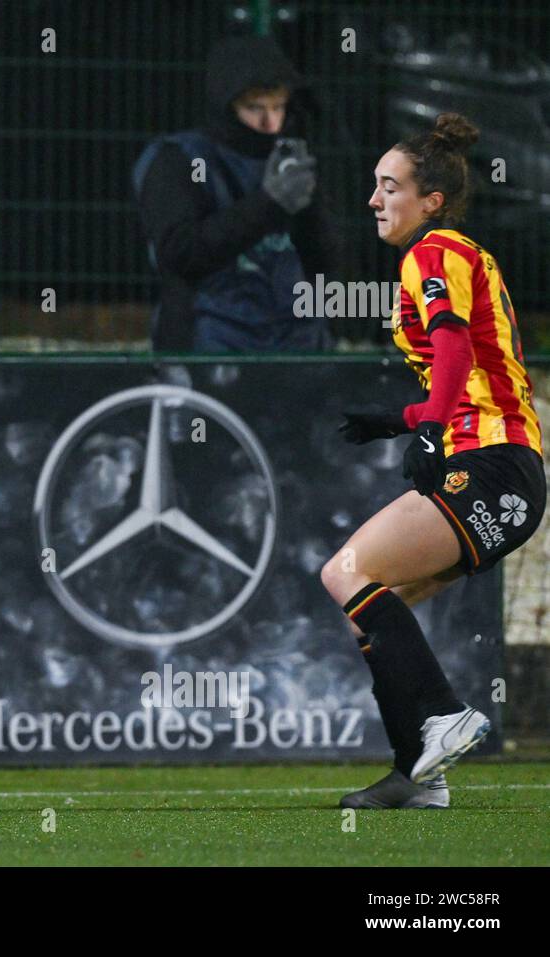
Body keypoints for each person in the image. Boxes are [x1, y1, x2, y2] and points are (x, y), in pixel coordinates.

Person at [324, 112, 543, 809]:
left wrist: (431, 430)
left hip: (493, 461)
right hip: (507, 466)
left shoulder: (431, 250)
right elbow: (472, 362)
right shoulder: (455, 255)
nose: (374, 199)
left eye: (389, 186)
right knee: (370, 607)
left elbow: (452, 350)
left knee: (347, 572)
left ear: (431, 201)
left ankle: (445, 715)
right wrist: (404, 420)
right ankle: (418, 771)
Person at [134, 35, 339, 352]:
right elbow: (179, 254)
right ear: (226, 105)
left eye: (278, 107)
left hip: (295, 341)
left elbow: (325, 263)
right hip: (210, 344)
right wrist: (270, 204)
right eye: (254, 108)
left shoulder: (290, 157)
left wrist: (309, 206)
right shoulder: (177, 159)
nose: (270, 123)